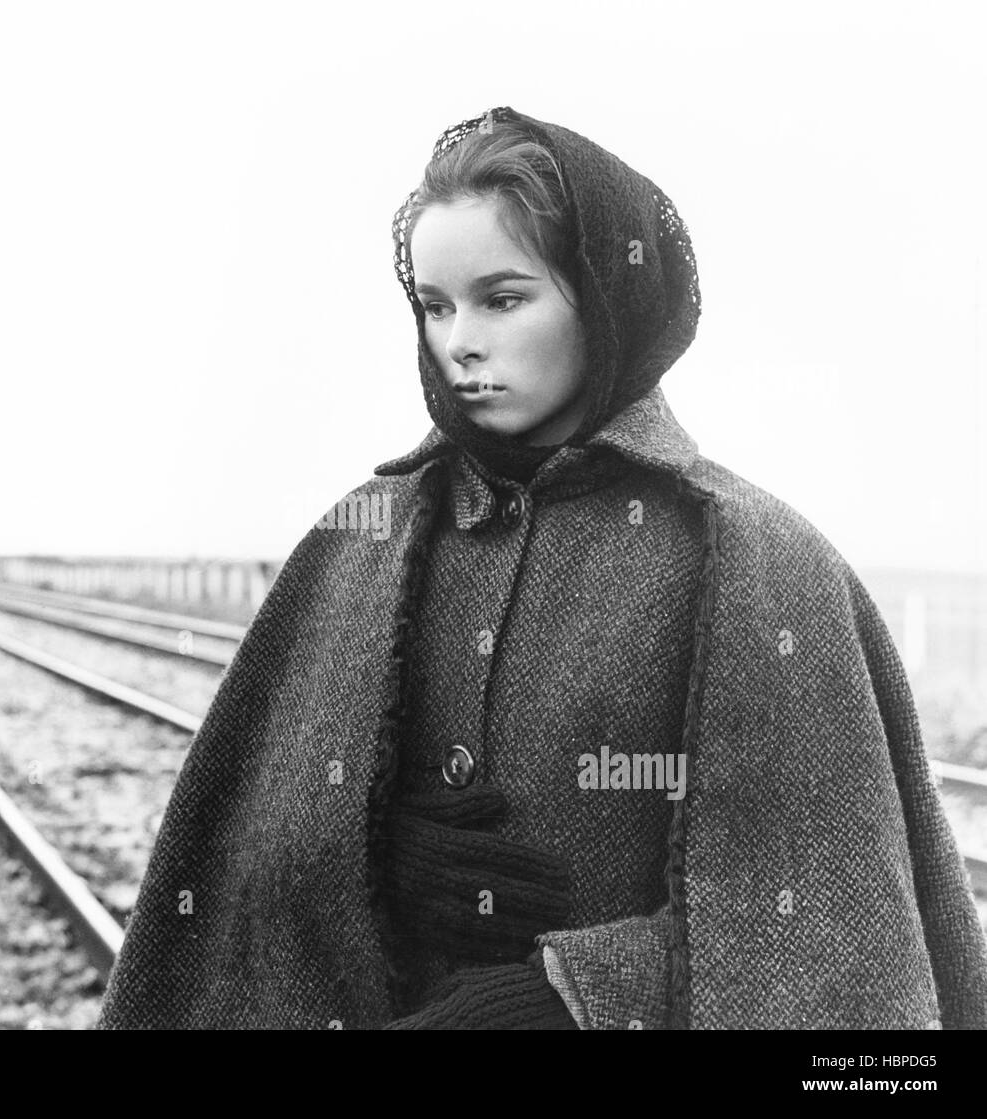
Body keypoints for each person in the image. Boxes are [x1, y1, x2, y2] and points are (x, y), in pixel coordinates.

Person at [95, 106, 987, 1030]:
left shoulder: (757, 562)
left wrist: (579, 992)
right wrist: (365, 850)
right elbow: (237, 852)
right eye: (436, 306)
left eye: (503, 297)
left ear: (602, 298)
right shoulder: (361, 540)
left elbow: (829, 930)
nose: (460, 342)